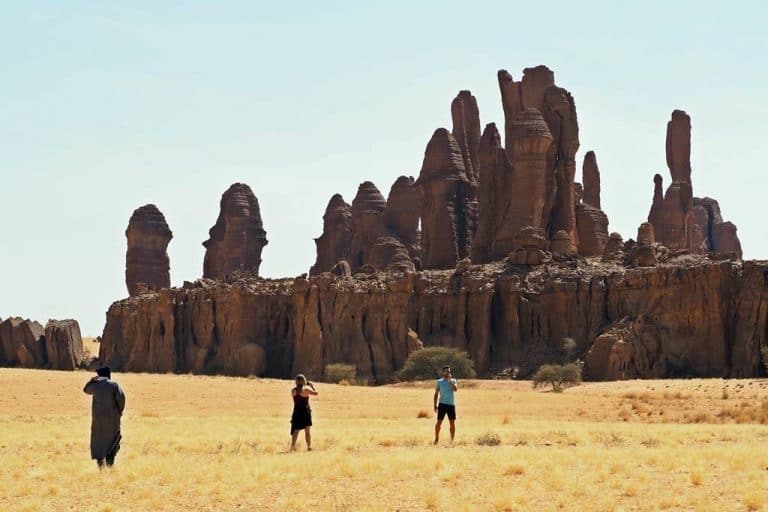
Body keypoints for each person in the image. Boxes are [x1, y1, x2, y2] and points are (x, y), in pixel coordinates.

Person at [83, 367, 126, 469]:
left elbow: (85, 390)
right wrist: (119, 412)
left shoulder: (95, 386)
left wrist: (91, 381)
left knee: (98, 440)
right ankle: (110, 464)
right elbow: (121, 399)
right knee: (113, 440)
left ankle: (101, 467)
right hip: (112, 419)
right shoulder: (113, 385)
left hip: (98, 420)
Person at [290, 374, 318, 451]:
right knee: (307, 431)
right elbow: (316, 393)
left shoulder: (293, 391)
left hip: (297, 412)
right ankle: (309, 447)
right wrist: (312, 386)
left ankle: (292, 447)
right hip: (305, 412)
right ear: (304, 381)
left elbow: (295, 398)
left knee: (296, 431)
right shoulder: (306, 389)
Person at [433, 365, 458, 445]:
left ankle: (451, 441)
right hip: (442, 404)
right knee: (439, 423)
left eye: (449, 371)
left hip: (451, 405)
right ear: (443, 372)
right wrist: (435, 405)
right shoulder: (439, 382)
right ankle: (436, 439)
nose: (448, 373)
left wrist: (450, 381)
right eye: (447, 371)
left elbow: (455, 389)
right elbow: (436, 394)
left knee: (452, 423)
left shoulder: (453, 380)